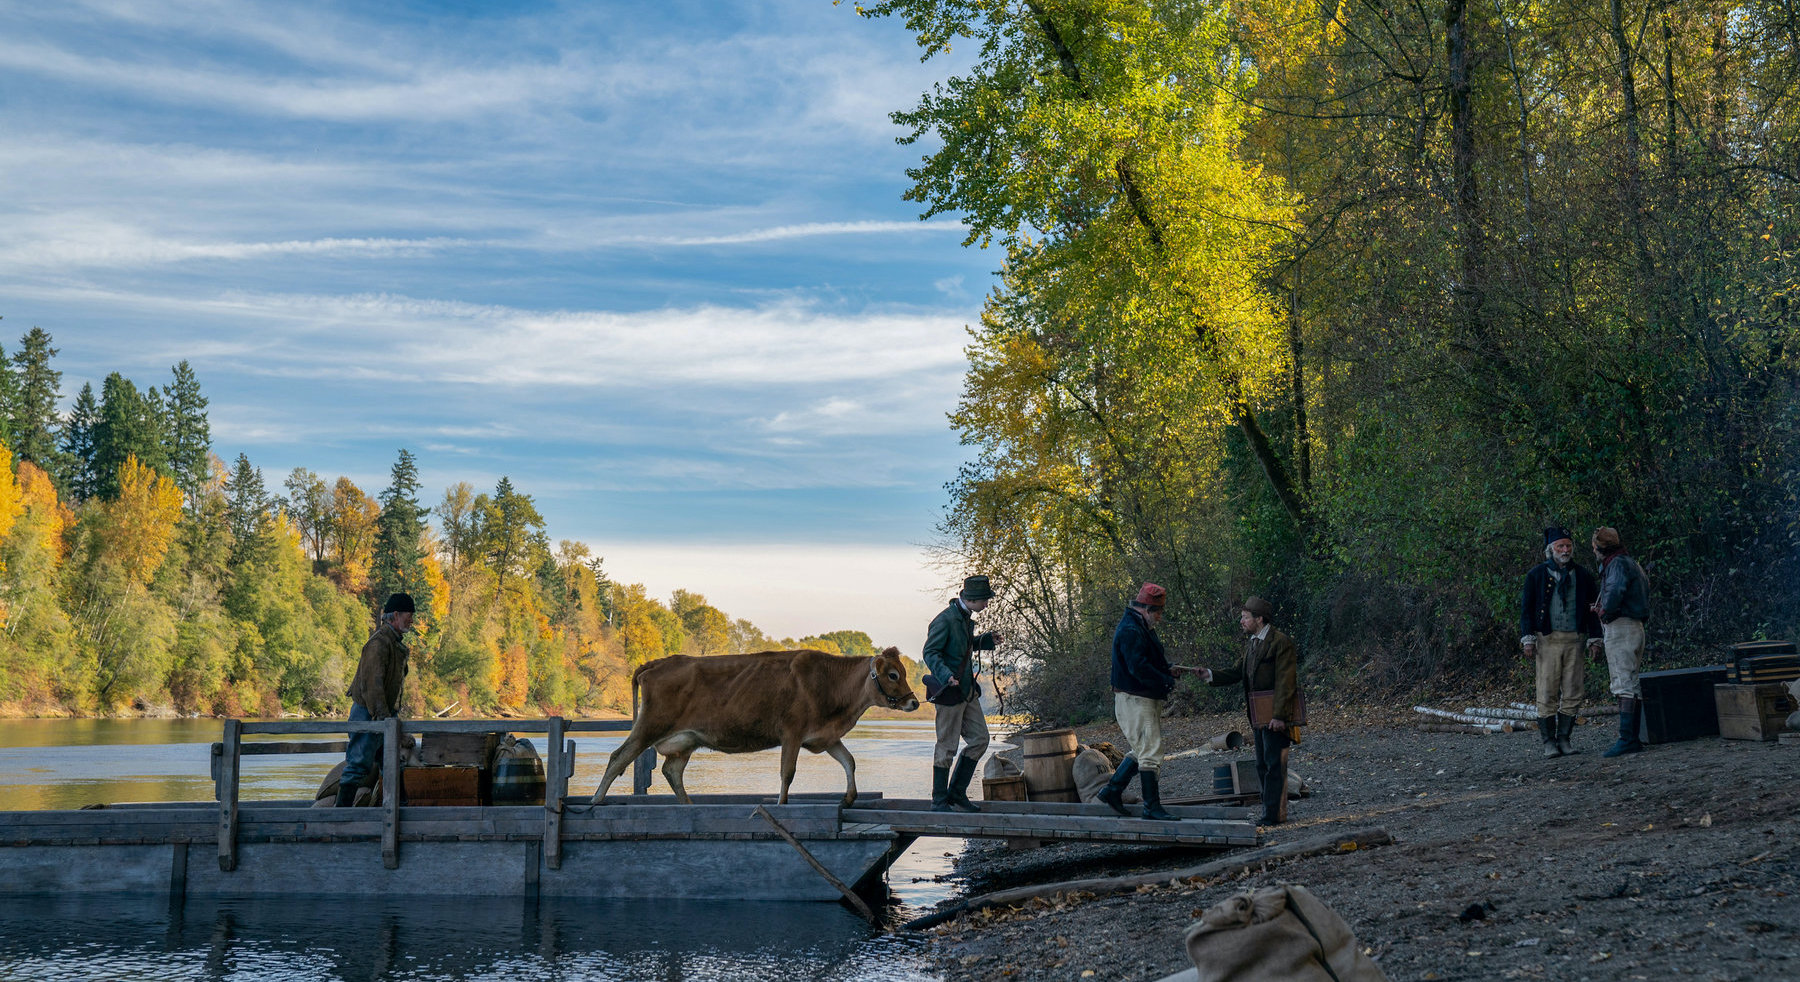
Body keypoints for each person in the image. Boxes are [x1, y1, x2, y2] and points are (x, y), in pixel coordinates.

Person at [1096, 583, 1201, 821]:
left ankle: (1112, 791)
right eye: (1158, 612)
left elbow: (1147, 661)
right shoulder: (1131, 630)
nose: (1160, 617)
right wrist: (1165, 680)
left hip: (1140, 697)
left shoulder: (1139, 626)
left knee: (1143, 750)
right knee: (1150, 751)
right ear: (1145, 609)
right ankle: (1151, 808)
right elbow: (1138, 668)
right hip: (1135, 698)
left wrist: (1167, 670)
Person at [1197, 597, 1300, 826]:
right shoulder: (1253, 642)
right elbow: (1238, 671)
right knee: (1263, 764)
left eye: (1245, 617)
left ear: (1259, 619)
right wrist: (1210, 675)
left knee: (1275, 764)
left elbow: (1286, 682)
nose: (1241, 621)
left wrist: (1279, 716)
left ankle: (1274, 815)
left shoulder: (1280, 642)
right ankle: (1271, 811)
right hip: (1258, 716)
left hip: (1275, 716)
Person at [1519, 527, 1603, 757]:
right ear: (1551, 549)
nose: (1565, 550)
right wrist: (1528, 639)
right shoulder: (1536, 575)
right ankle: (1548, 742)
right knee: (1547, 691)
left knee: (1574, 690)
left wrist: (1595, 639)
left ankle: (1564, 739)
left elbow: (1592, 609)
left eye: (1568, 546)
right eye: (1560, 546)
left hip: (1574, 639)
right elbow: (1526, 610)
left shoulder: (1583, 575)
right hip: (1547, 640)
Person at [922, 575, 1003, 813]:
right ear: (973, 600)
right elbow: (930, 652)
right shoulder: (945, 620)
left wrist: (987, 640)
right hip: (949, 692)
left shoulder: (964, 618)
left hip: (967, 692)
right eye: (985, 600)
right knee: (947, 746)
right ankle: (939, 800)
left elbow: (963, 646)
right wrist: (945, 675)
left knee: (980, 740)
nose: (987, 604)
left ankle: (956, 794)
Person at [337, 593, 415, 807]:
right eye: (409, 616)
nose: (412, 621)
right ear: (396, 615)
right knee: (357, 765)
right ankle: (337, 819)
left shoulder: (394, 643)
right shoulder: (379, 643)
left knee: (391, 764)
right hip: (369, 715)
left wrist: (390, 721)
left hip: (383, 716)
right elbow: (373, 686)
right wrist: (385, 721)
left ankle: (399, 811)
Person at [1591, 527, 1651, 757]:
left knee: (1623, 682)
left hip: (1622, 627)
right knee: (1631, 681)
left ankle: (1627, 739)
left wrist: (1604, 612)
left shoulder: (1615, 564)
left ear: (1599, 547)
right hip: (1634, 626)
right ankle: (1631, 738)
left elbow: (1615, 591)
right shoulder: (1629, 562)